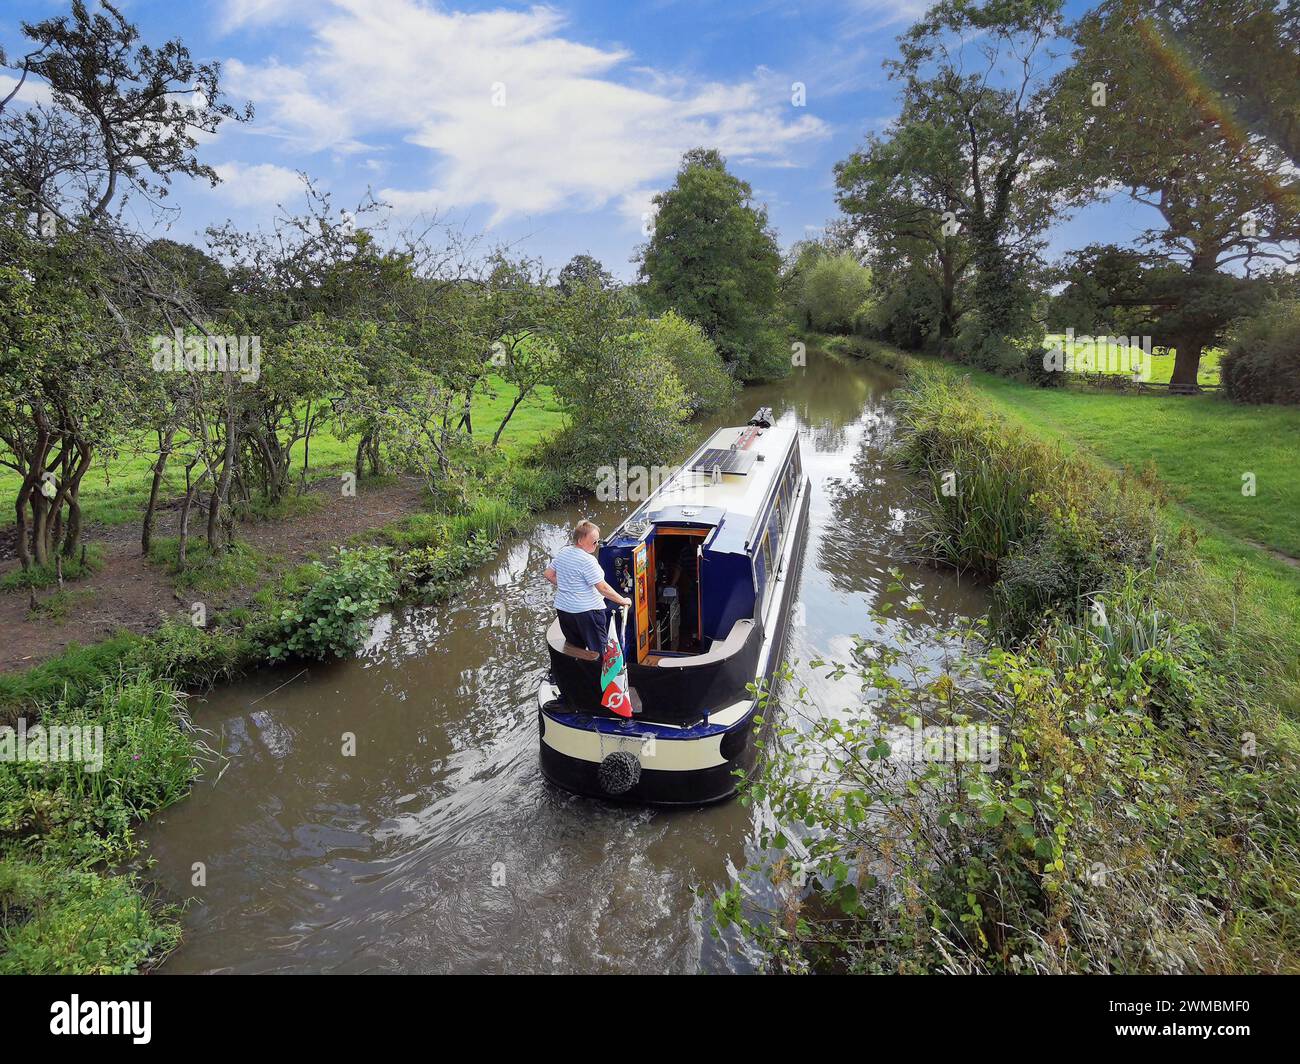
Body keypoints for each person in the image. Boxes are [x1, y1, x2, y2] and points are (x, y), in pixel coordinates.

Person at [545, 520, 630, 654]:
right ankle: (602, 674)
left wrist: (569, 586)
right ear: (580, 540)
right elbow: (603, 588)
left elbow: (549, 574)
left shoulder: (564, 552)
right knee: (600, 650)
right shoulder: (588, 560)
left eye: (598, 541)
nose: (596, 545)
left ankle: (579, 673)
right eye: (594, 541)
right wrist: (623, 600)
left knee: (576, 650)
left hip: (564, 611)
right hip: (587, 613)